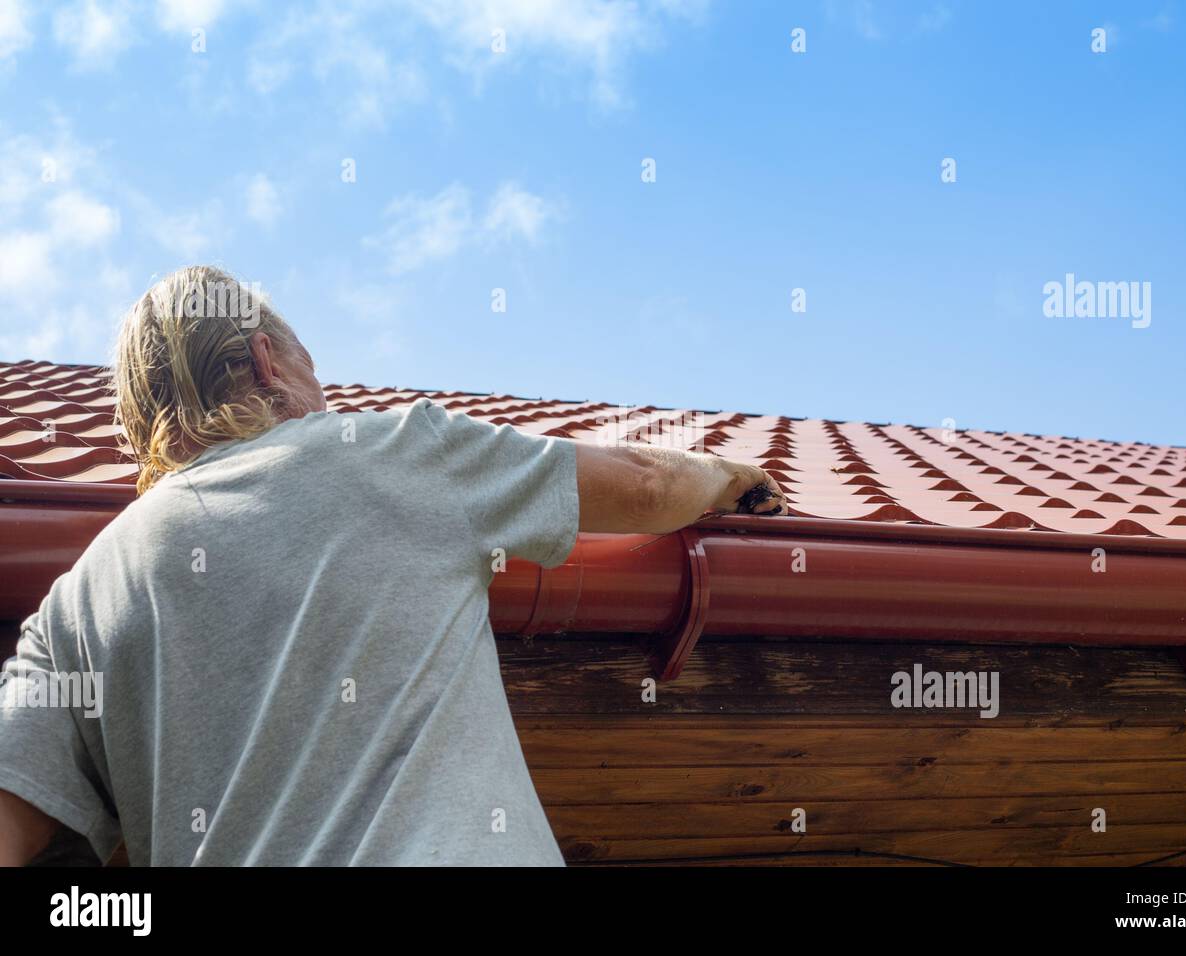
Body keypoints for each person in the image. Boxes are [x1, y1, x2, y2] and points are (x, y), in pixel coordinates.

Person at [0, 266, 786, 866]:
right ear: (268, 363)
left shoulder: (78, 603)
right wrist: (726, 474)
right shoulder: (395, 454)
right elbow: (645, 488)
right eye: (316, 371)